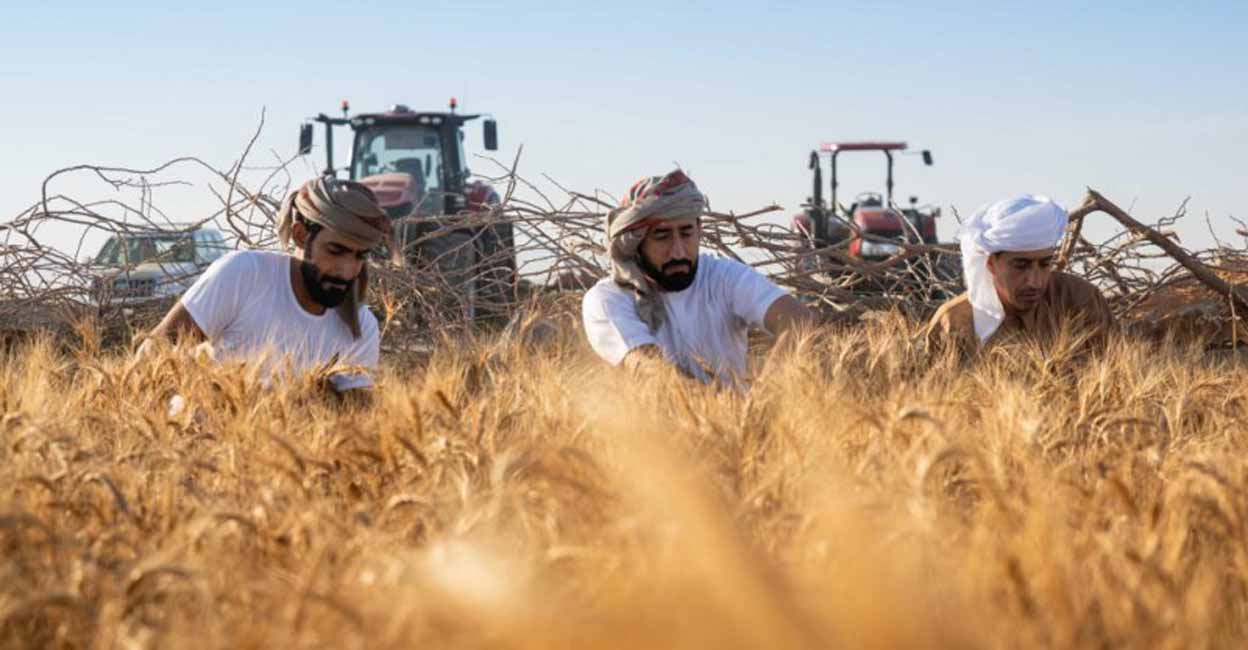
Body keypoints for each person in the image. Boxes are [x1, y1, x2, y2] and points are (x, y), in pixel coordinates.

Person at [144, 176, 396, 394]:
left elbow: (352, 421)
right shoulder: (245, 274)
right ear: (300, 235)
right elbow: (152, 353)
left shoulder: (361, 327)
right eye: (335, 250)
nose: (347, 270)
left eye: (360, 256)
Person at [582, 169, 814, 385]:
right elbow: (651, 370)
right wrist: (718, 407)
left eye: (686, 233)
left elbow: (797, 320)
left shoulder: (723, 276)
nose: (679, 251)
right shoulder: (608, 299)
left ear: (699, 229)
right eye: (662, 236)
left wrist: (766, 393)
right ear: (636, 242)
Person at [924, 194, 1114, 354]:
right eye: (1021, 266)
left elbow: (1114, 372)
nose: (1035, 281)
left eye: (1044, 264)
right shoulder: (955, 322)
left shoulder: (1080, 300)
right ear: (991, 264)